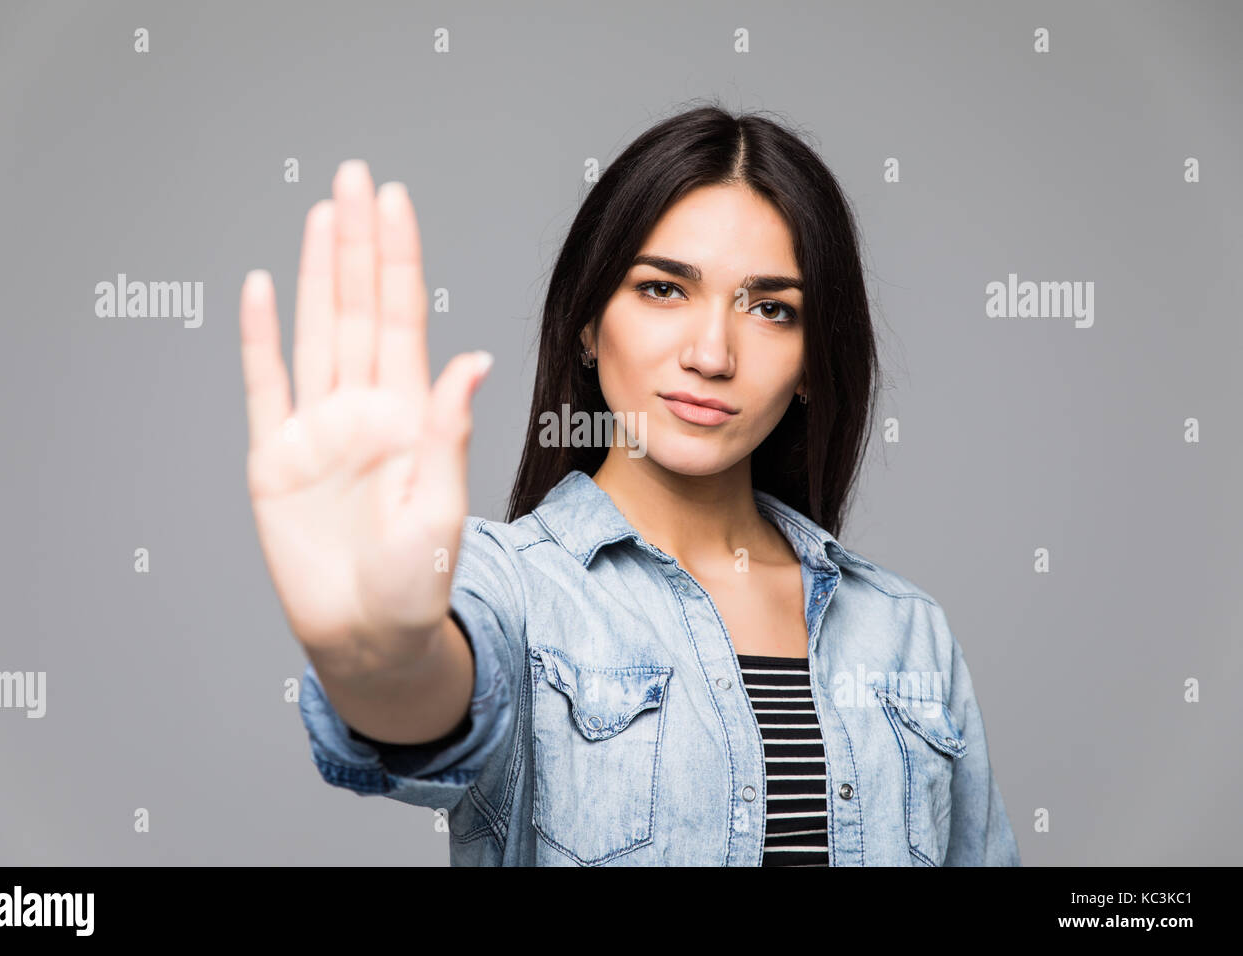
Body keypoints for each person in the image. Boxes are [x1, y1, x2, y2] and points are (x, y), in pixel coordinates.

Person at [237, 104, 1021, 867]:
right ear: (586, 322)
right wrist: (384, 658)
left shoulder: (905, 633)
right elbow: (427, 700)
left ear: (815, 362)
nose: (712, 353)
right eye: (663, 289)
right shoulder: (511, 588)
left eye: (772, 309)